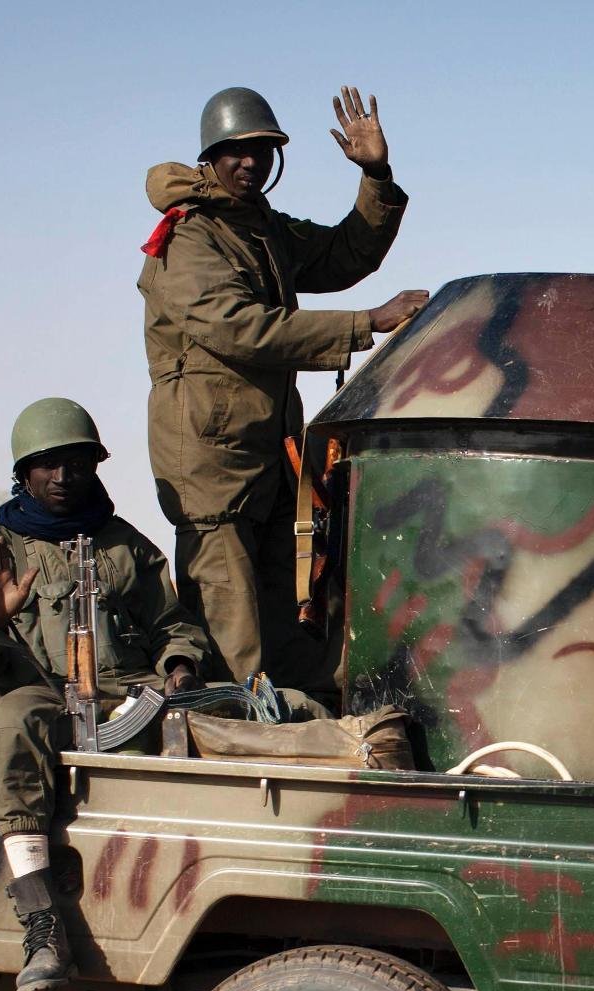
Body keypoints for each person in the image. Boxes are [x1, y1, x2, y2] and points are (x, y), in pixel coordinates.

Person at [138, 83, 429, 693]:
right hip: (211, 458)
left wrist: (375, 175)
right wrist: (365, 321)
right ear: (209, 158)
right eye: (237, 151)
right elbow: (236, 327)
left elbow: (343, 255)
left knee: (285, 621)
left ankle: (304, 739)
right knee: (232, 633)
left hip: (268, 453)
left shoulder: (260, 228)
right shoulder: (191, 237)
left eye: (264, 150)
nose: (251, 162)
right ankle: (238, 762)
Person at [0, 398, 210, 991]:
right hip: (34, 693)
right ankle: (41, 925)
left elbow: (172, 623)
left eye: (78, 464)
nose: (63, 478)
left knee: (220, 720)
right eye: (48, 465)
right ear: (23, 474)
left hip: (123, 691)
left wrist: (179, 664)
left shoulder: (124, 546)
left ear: (96, 468)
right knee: (7, 726)